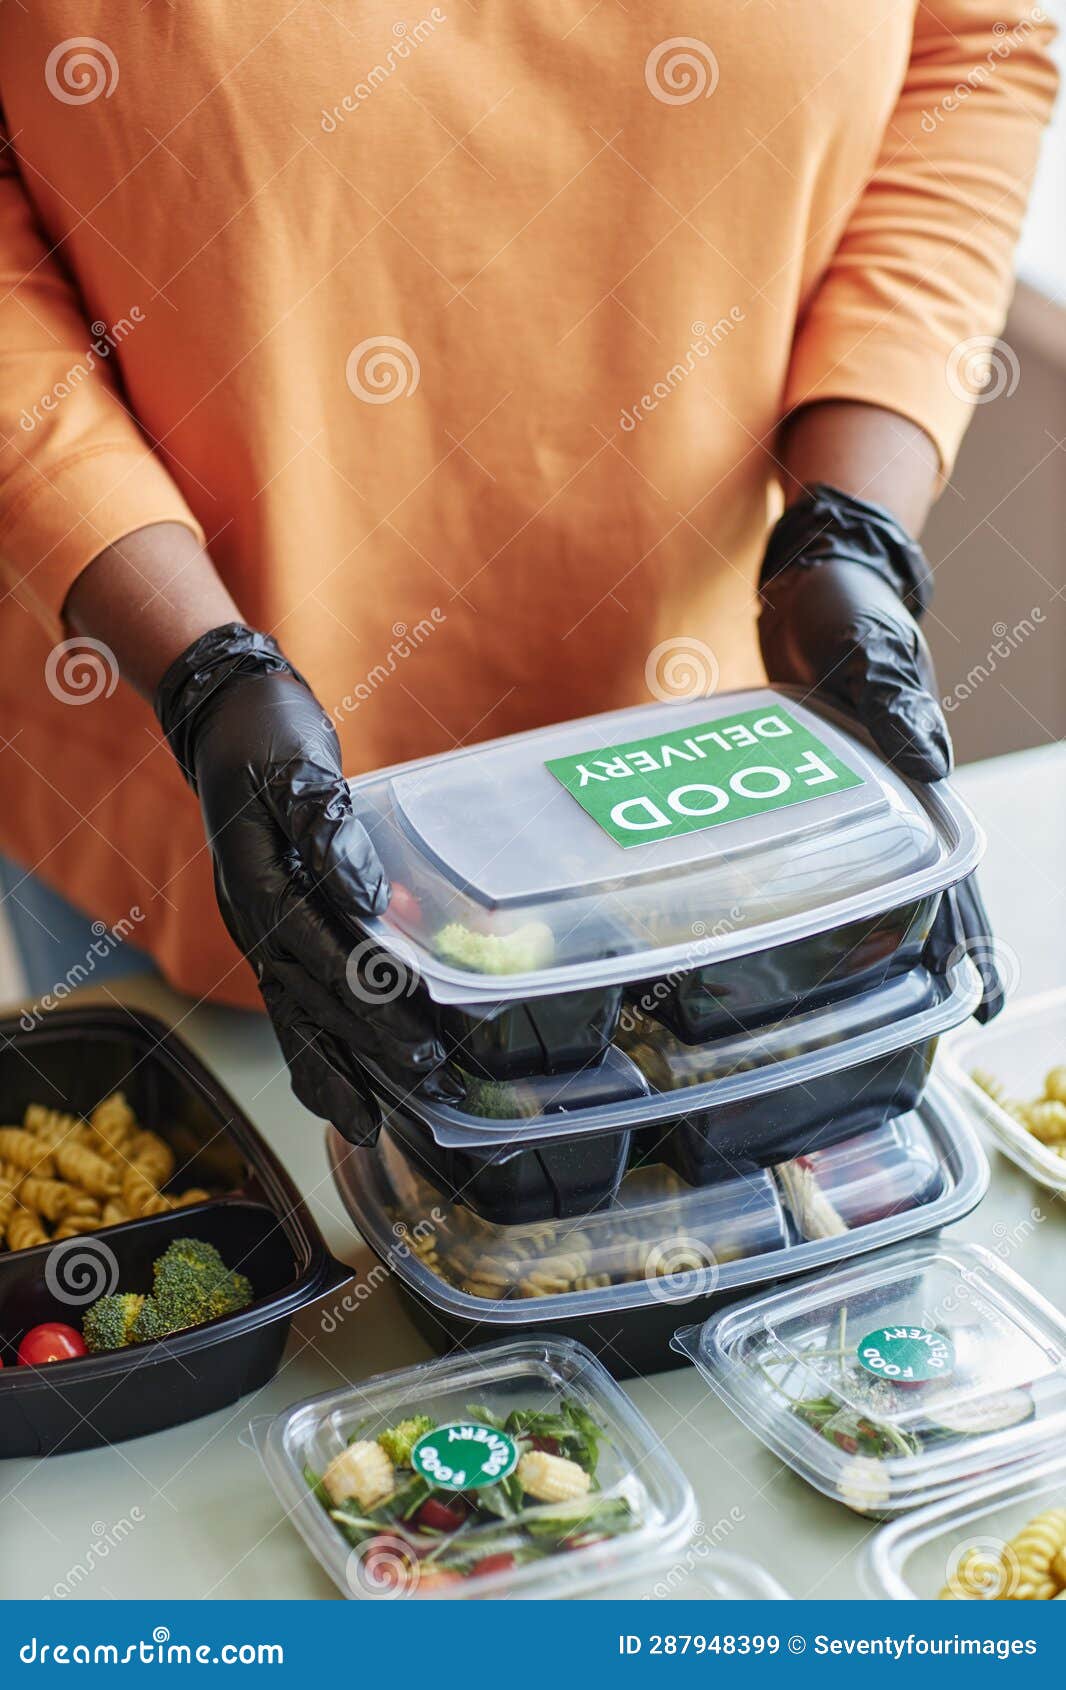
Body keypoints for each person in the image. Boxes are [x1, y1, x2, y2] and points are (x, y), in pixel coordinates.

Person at [0, 7, 1056, 1137]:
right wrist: (204, 674)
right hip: (195, 769)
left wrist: (846, 528)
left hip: (698, 777)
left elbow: (973, 54)